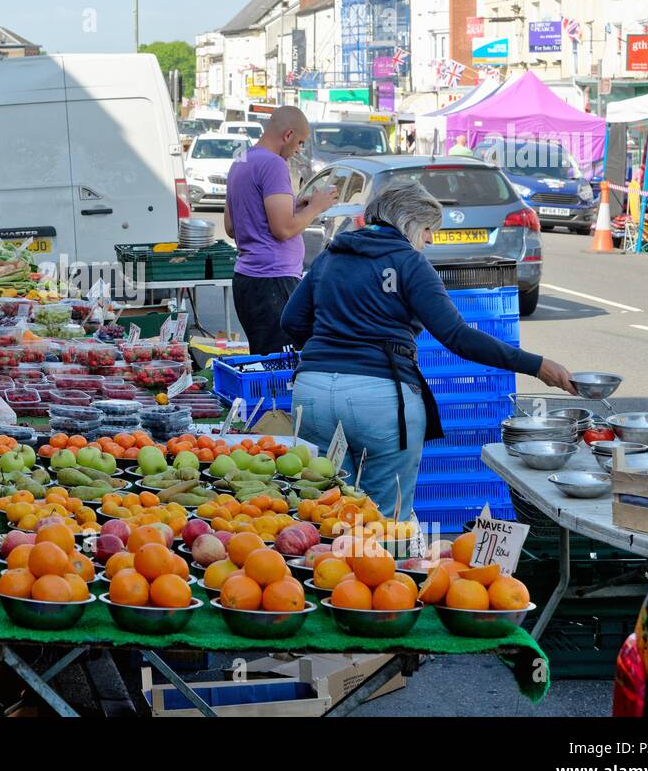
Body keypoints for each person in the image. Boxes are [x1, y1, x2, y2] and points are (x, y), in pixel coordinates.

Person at [281, 178, 575, 521]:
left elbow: (291, 321)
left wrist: (327, 353)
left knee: (324, 511)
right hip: (380, 397)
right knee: (383, 518)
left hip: (312, 392)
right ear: (407, 223)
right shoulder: (409, 262)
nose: (431, 238)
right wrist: (536, 366)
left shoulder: (331, 257)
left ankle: (324, 573)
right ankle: (377, 568)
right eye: (427, 228)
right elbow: (457, 336)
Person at [224, 105, 338, 355]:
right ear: (287, 135)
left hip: (247, 280)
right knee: (280, 364)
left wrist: (295, 205)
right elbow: (283, 229)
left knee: (264, 356)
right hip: (273, 281)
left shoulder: (241, 160)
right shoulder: (273, 165)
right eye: (299, 142)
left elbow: (232, 226)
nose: (298, 150)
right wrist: (315, 207)